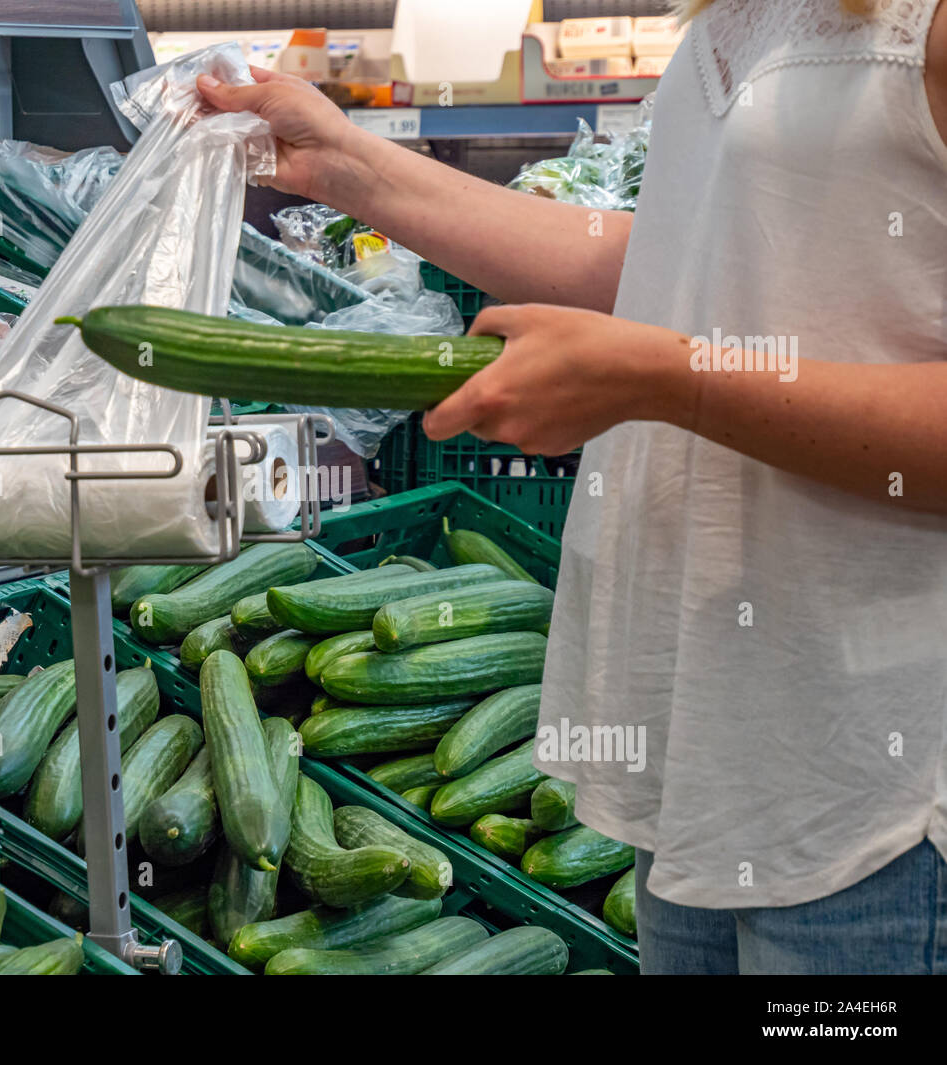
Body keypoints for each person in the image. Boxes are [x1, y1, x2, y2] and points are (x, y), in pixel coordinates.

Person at [198, 0, 947, 976]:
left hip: (881, 794)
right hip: (703, 749)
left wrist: (660, 377)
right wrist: (345, 165)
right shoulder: (752, 14)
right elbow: (673, 261)